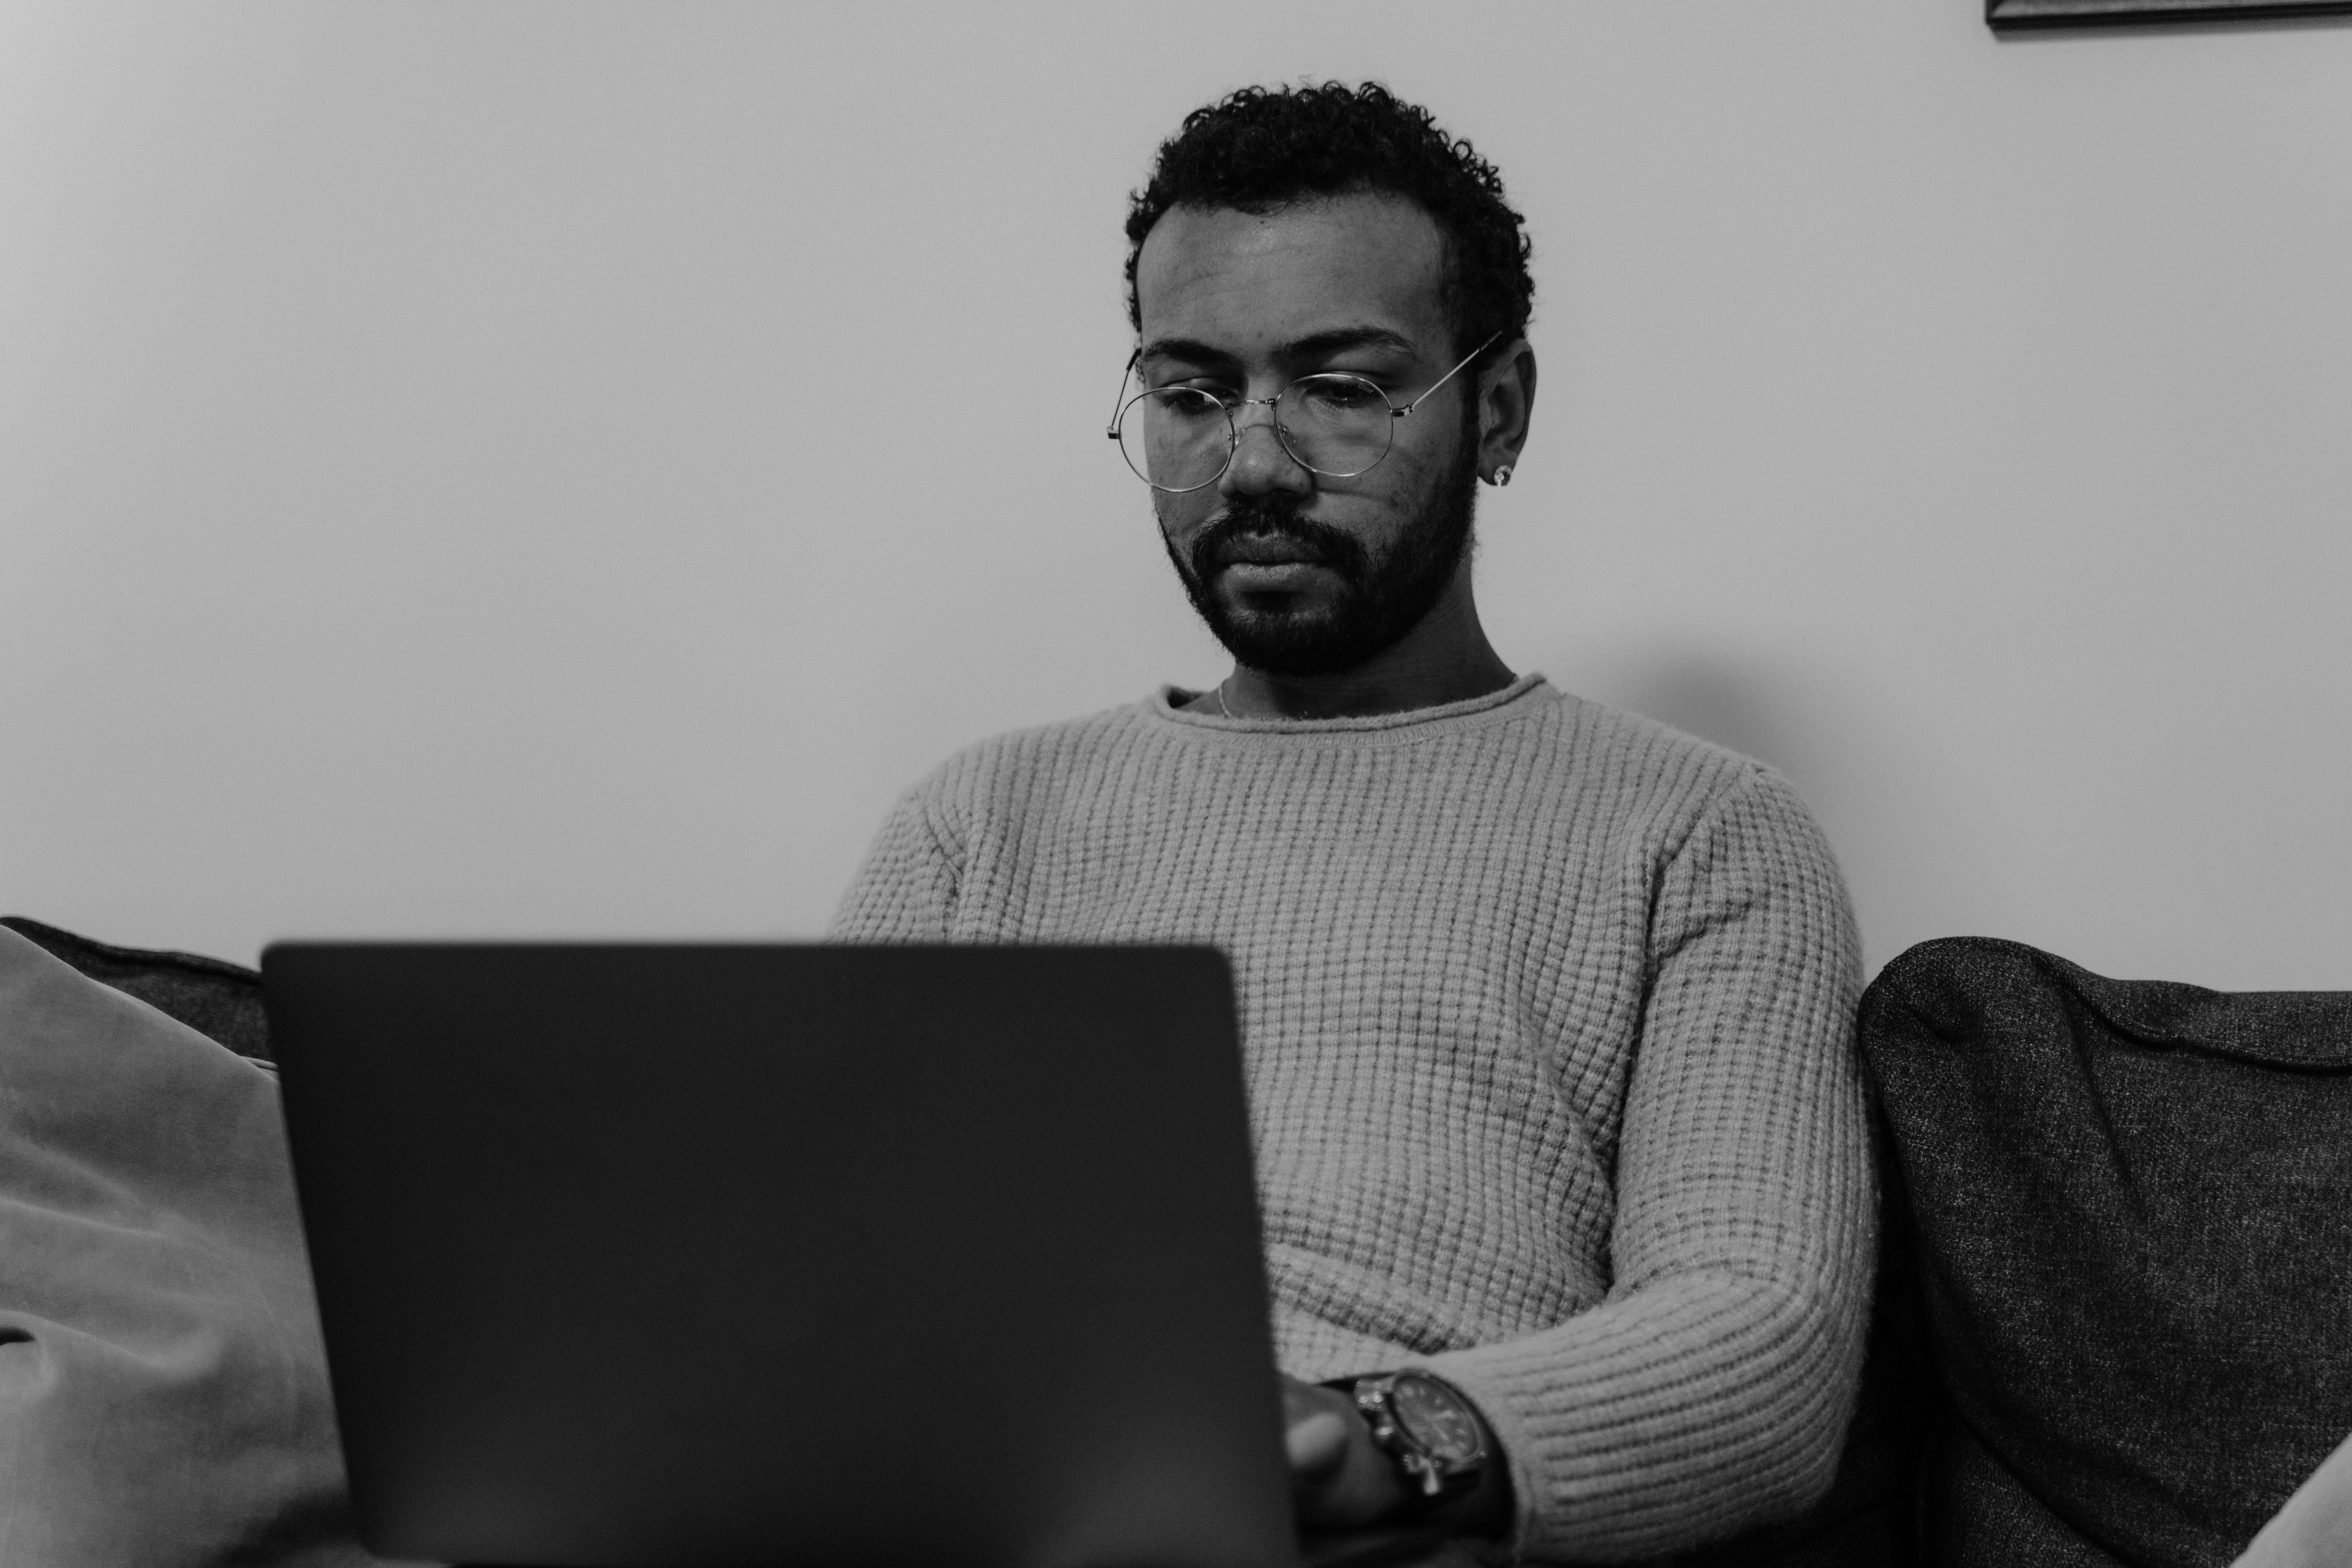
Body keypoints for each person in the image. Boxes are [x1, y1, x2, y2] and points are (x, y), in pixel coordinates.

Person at [831, 81, 1875, 1564]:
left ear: (1496, 408)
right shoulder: (977, 824)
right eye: (1192, 392)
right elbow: (811, 1271)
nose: (1252, 464)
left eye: (1341, 388)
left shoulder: (1703, 835)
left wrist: (1372, 1436)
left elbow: (1764, 1338)